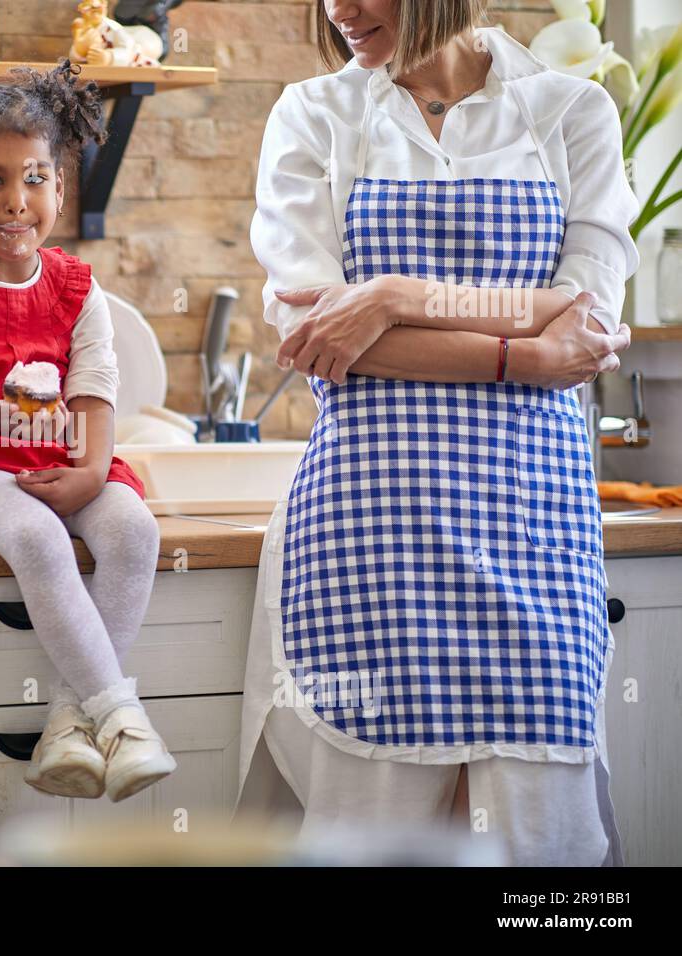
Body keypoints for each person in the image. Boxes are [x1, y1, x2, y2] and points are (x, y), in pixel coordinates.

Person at [240, 0, 637, 865]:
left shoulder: (570, 110)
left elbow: (589, 312)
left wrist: (393, 298)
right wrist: (523, 355)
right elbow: (313, 336)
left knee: (539, 848)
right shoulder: (315, 114)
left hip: (533, 527)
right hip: (375, 525)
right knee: (372, 838)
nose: (340, 9)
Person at [0, 44, 174, 803]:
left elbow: (96, 392)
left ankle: (67, 727)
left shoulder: (79, 286)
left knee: (134, 531)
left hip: (67, 458)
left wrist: (90, 472)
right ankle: (121, 719)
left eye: (36, 178)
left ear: (60, 184)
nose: (17, 201)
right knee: (39, 538)